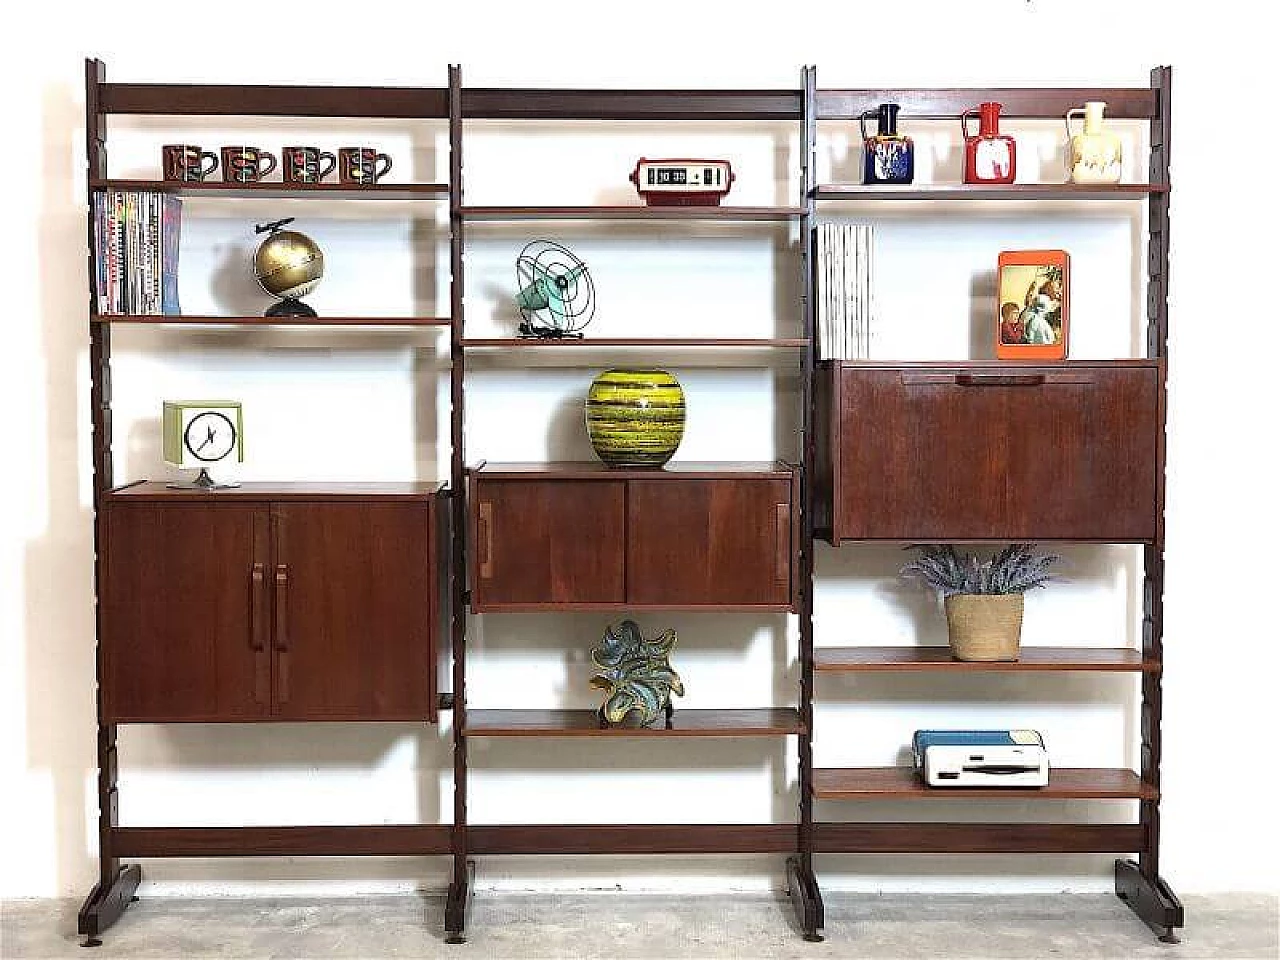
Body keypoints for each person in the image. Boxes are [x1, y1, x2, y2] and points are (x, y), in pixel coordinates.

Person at [1020, 272, 1061, 345]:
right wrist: (1031, 290)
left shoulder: (1050, 300)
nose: (1058, 291)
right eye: (1056, 288)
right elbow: (1028, 303)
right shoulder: (1042, 298)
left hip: (1039, 320)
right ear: (1047, 290)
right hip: (1035, 321)